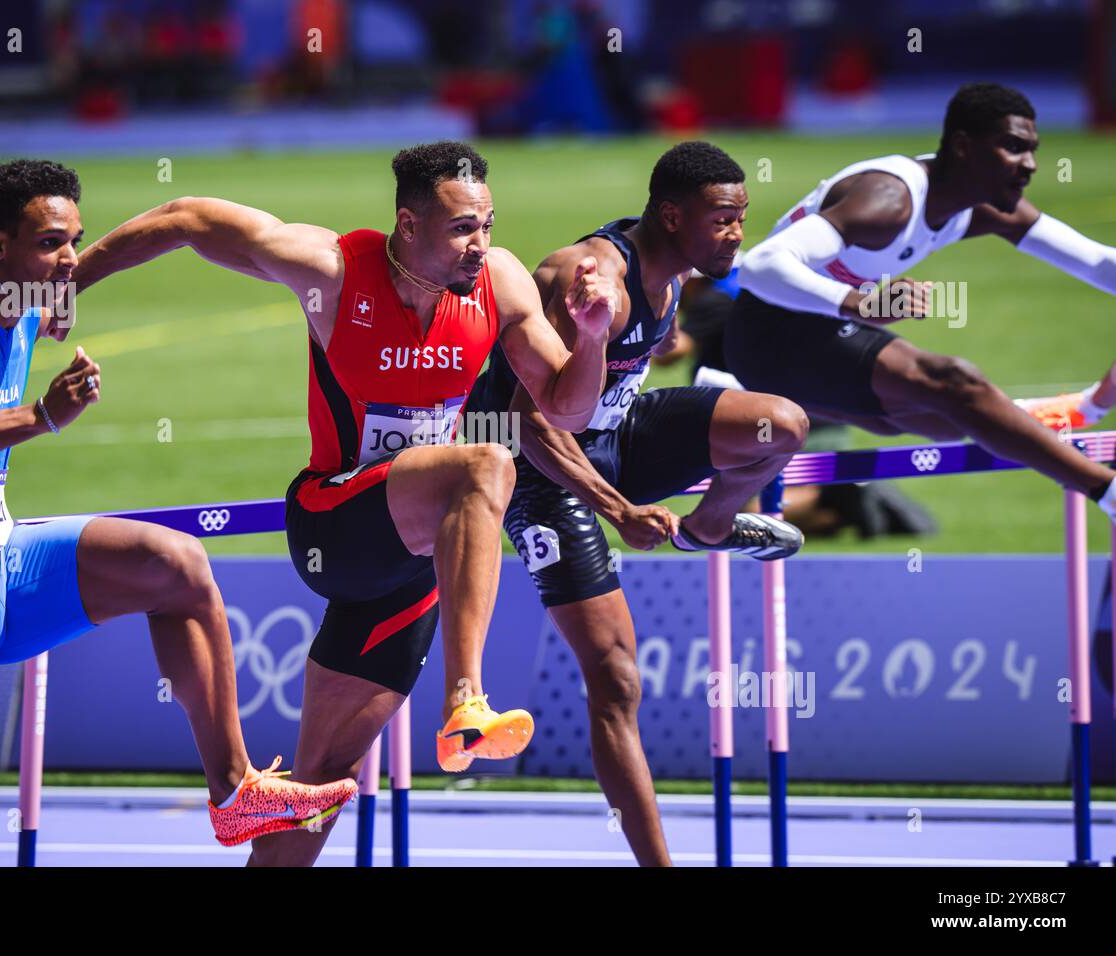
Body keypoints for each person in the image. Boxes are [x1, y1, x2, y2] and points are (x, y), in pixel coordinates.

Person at [74, 140, 616, 865]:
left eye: (487, 223)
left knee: (319, 788)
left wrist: (592, 339)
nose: (479, 244)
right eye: (461, 228)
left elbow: (568, 409)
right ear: (408, 224)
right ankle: (467, 699)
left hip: (412, 567)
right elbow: (184, 216)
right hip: (334, 522)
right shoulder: (331, 271)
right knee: (487, 463)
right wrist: (65, 284)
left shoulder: (500, 282)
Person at [0, 159, 356, 866]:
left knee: (172, 564)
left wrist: (76, 274)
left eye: (73, 240)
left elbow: (168, 222)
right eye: (52, 242)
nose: (69, 261)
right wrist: (39, 416)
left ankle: (235, 793)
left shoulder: (25, 296)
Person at [468, 142, 807, 865]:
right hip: (535, 467)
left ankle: (708, 528)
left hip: (615, 437)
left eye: (742, 218)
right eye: (724, 219)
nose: (737, 234)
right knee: (617, 679)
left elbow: (644, 350)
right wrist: (618, 510)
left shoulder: (673, 265)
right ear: (672, 215)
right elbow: (527, 423)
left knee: (782, 425)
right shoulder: (595, 281)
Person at [728, 82, 1116, 520]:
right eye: (1013, 148)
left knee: (953, 423)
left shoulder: (986, 206)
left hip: (813, 337)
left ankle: (730, 394)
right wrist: (861, 303)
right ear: (964, 146)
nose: (1030, 165)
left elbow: (1099, 262)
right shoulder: (888, 199)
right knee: (954, 383)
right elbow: (760, 265)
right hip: (770, 335)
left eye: (1032, 150)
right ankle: (1105, 489)